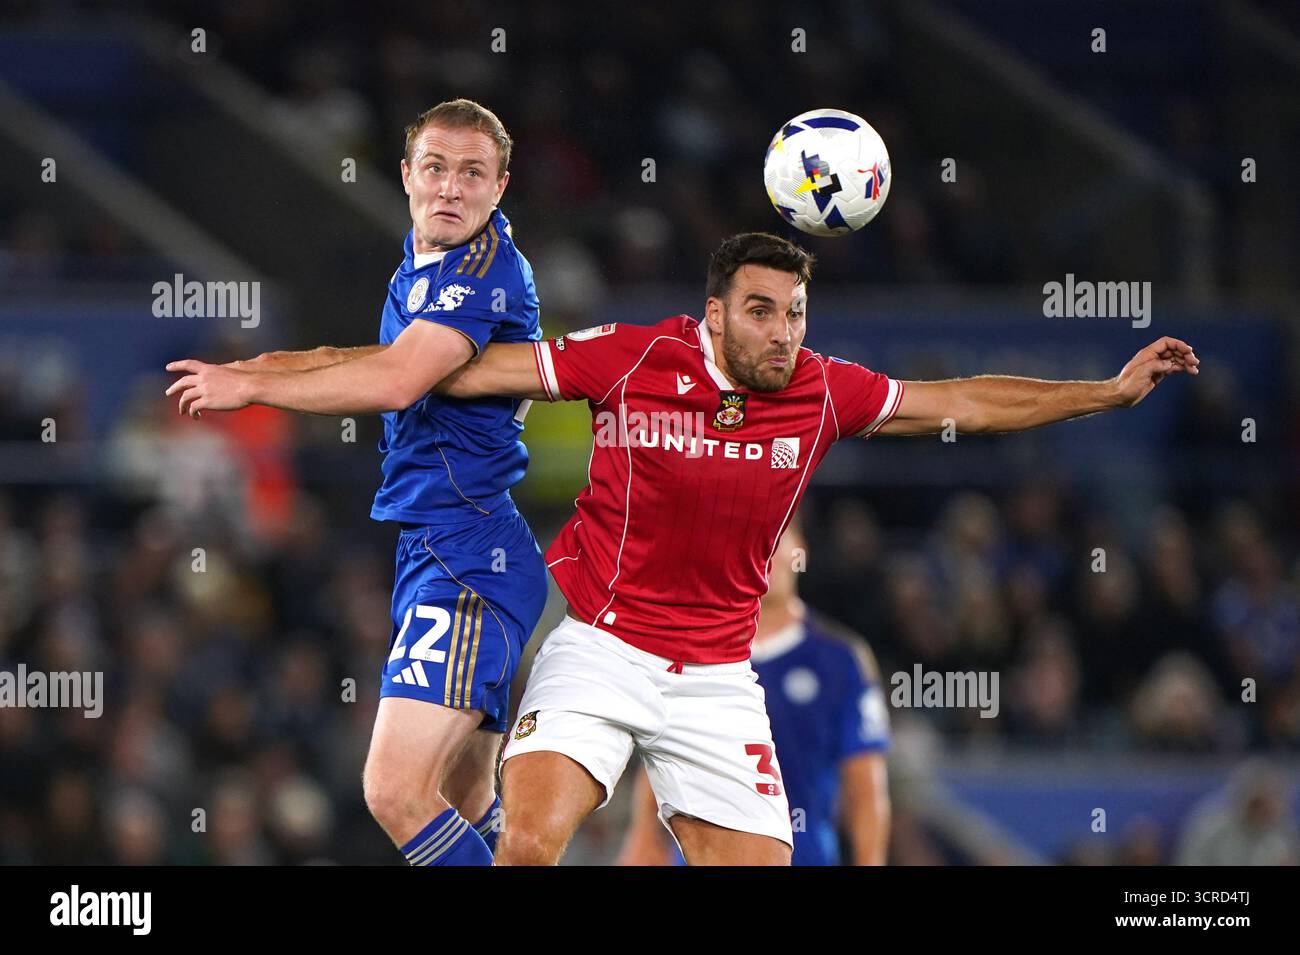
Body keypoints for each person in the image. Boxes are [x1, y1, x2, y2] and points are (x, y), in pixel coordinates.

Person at [176, 230, 1200, 865]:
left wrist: (1104, 393)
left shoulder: (823, 390)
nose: (782, 333)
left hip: (718, 675)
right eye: (761, 311)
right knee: (526, 845)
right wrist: (263, 375)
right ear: (717, 314)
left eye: (795, 313)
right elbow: (431, 368)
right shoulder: (632, 358)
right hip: (599, 644)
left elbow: (968, 401)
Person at [165, 99, 548, 866]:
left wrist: (256, 391)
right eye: (434, 167)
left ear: (499, 186)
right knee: (470, 813)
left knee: (393, 790)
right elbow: (371, 354)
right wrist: (259, 366)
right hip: (445, 551)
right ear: (405, 176)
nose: (450, 187)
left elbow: (398, 378)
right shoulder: (426, 259)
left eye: (472, 172)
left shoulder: (485, 271)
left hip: (467, 558)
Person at [615, 518, 891, 866]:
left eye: (777, 538)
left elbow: (866, 789)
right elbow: (662, 756)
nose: (766, 552)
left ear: (799, 548)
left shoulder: (841, 659)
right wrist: (641, 840)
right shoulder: (689, 648)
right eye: (752, 540)